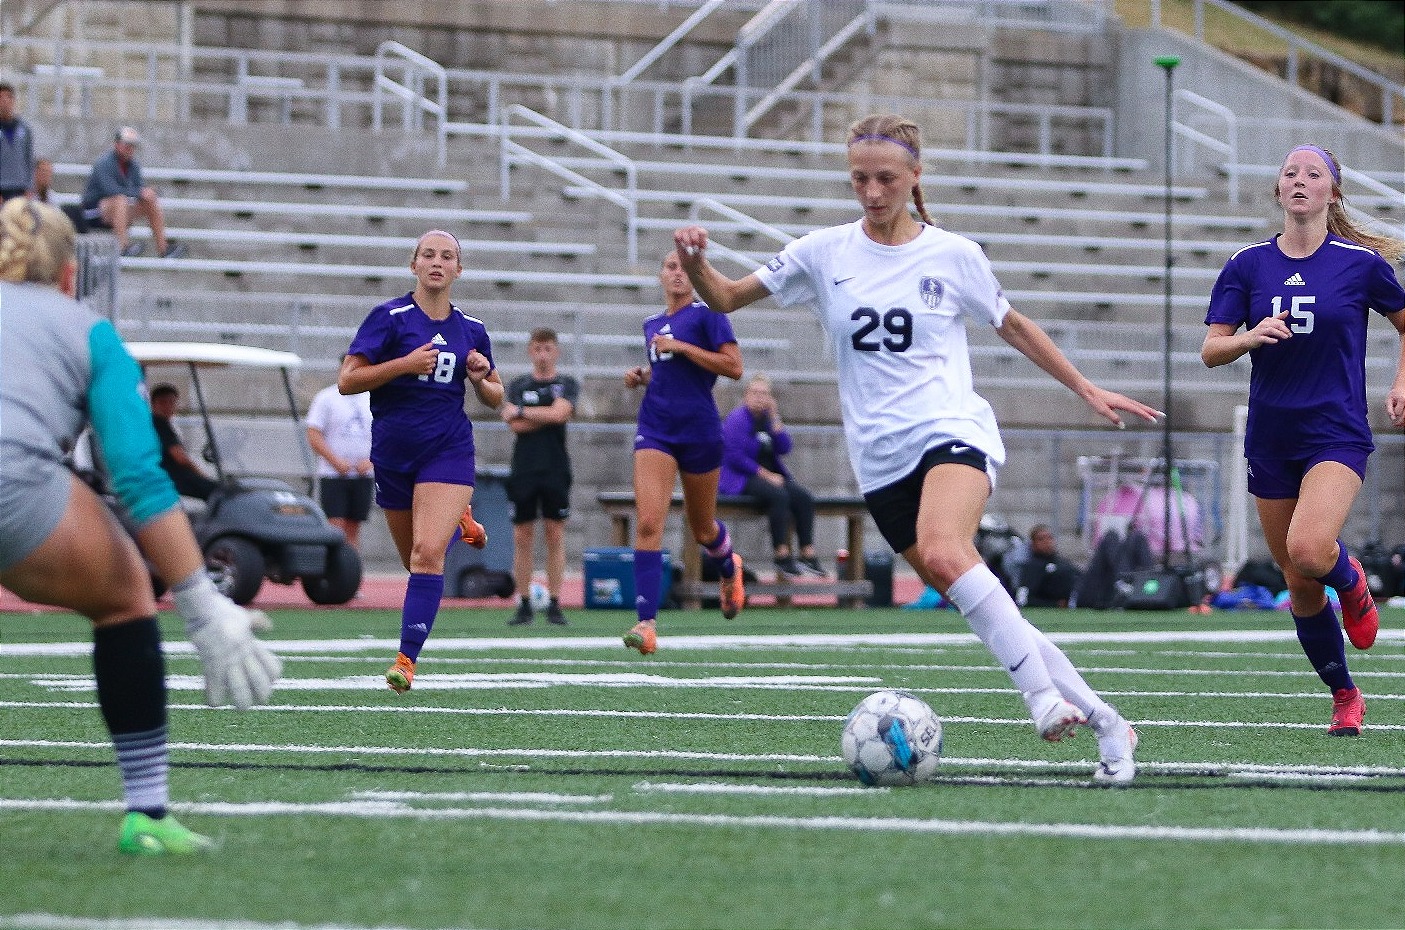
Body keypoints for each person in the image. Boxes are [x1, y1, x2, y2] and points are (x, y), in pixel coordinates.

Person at [672, 113, 1162, 782]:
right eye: (859, 179)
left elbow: (1011, 324)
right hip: (879, 460)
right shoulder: (822, 251)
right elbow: (725, 297)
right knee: (969, 592)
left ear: (914, 178)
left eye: (885, 179)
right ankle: (1108, 724)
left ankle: (1041, 699)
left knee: (942, 550)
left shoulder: (951, 254)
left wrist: (1083, 387)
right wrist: (699, 263)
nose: (872, 193)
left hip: (950, 430)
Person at [0, 197, 281, 854]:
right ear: (70, 274)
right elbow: (137, 474)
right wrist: (201, 604)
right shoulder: (87, 330)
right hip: (16, 491)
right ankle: (147, 813)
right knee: (126, 596)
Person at [1202, 142, 1405, 737]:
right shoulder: (1247, 265)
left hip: (1336, 430)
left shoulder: (1360, 264)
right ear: (1277, 189)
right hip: (1271, 433)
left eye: (1312, 174)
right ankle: (1345, 693)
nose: (1298, 180)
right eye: (1288, 171)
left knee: (1314, 551)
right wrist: (1249, 336)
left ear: (1331, 193)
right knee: (1296, 578)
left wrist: (1401, 381)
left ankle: (1354, 582)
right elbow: (1212, 349)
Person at [339, 229, 503, 693]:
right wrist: (403, 365)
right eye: (428, 254)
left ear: (458, 269)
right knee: (415, 561)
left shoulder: (471, 329)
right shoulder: (389, 317)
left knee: (427, 555)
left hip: (447, 449)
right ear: (414, 265)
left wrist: (481, 379)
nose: (437, 262)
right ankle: (458, 521)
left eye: (446, 256)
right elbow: (348, 381)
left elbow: (496, 394)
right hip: (393, 453)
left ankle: (406, 660)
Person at [620, 249, 745, 656]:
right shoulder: (651, 324)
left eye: (684, 268)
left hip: (700, 430)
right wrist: (644, 376)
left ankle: (729, 566)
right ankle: (646, 622)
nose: (677, 274)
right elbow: (668, 370)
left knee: (703, 528)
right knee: (649, 523)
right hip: (656, 428)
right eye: (670, 266)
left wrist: (684, 348)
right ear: (660, 274)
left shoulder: (709, 314)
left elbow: (733, 366)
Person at [502, 327, 579, 627]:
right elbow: (515, 426)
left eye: (548, 348)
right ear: (530, 351)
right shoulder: (519, 384)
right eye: (538, 348)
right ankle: (523, 604)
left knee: (555, 534)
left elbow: (560, 414)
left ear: (556, 351)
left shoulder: (566, 383)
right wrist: (542, 414)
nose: (543, 354)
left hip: (555, 467)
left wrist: (523, 411)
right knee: (522, 536)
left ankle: (556, 603)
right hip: (524, 467)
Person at [720, 373, 825, 578]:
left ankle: (807, 553)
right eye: (755, 393)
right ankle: (782, 555)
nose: (760, 397)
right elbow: (735, 457)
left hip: (770, 477)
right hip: (740, 478)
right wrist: (766, 475)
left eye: (765, 394)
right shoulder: (737, 419)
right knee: (780, 495)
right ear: (746, 395)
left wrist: (776, 420)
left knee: (803, 498)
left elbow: (785, 448)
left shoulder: (768, 421)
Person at [80, 126, 185, 259]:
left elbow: (138, 188)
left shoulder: (133, 165)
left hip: (117, 209)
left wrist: (148, 193)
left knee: (149, 201)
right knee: (120, 200)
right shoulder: (104, 163)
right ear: (117, 144)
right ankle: (123, 247)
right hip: (93, 211)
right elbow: (110, 190)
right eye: (127, 145)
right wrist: (140, 192)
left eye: (132, 146)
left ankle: (163, 248)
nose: (130, 149)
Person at [306, 365, 374, 551]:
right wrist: (335, 461)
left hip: (362, 475)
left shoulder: (371, 397)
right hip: (333, 474)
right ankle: (335, 568)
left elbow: (384, 433)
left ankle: (351, 570)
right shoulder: (326, 397)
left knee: (354, 527)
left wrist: (370, 461)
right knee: (335, 525)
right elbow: (313, 433)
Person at [148, 382, 219, 501]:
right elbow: (180, 458)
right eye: (163, 402)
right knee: (219, 492)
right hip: (172, 477)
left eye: (172, 402)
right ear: (153, 404)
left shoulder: (154, 423)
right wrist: (201, 475)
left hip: (167, 475)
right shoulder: (159, 424)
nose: (168, 407)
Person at [1014, 524, 1083, 608]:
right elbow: (1023, 600)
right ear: (1033, 544)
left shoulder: (1063, 563)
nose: (1047, 542)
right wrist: (1055, 604)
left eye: (1050, 538)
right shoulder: (1032, 567)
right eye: (1041, 539)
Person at [0, 83, 36, 203]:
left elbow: (28, 158)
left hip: (19, 187)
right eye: (1, 98)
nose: (5, 102)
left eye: (8, 97)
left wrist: (29, 187)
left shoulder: (24, 129)